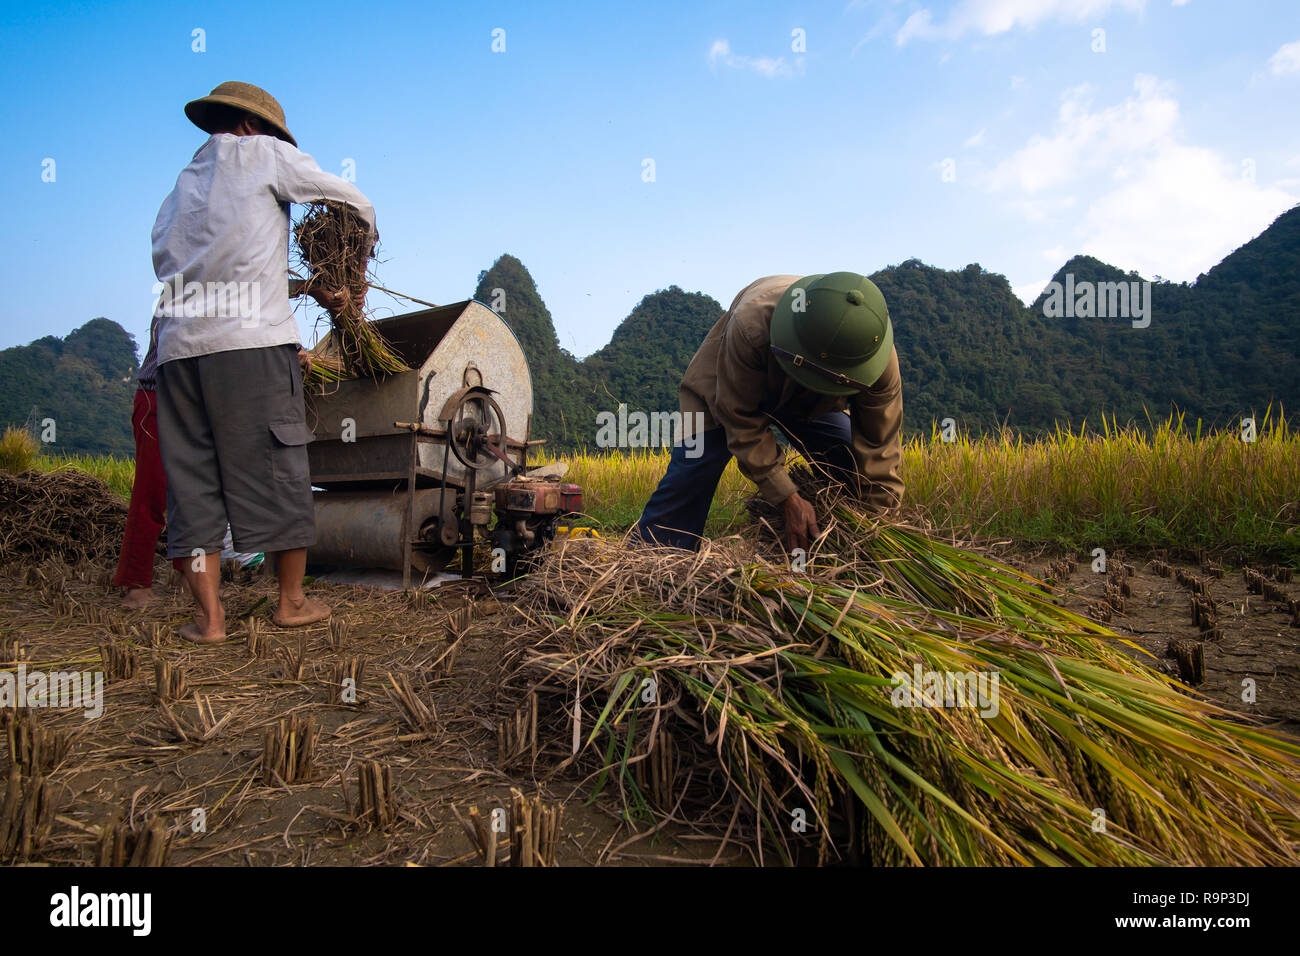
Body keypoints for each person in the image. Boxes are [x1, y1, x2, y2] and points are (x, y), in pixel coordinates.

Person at [152, 81, 374, 644]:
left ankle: (209, 621)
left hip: (177, 352)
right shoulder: (265, 155)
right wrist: (350, 266)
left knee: (192, 482)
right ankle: (292, 603)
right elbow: (352, 200)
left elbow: (185, 264)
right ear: (254, 126)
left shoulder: (180, 188)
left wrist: (295, 283)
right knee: (278, 465)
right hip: (251, 347)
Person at [634, 272, 904, 553]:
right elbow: (739, 420)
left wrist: (878, 534)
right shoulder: (751, 324)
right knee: (694, 467)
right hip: (728, 386)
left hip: (813, 406)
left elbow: (880, 450)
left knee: (848, 459)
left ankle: (825, 552)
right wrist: (788, 497)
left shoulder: (876, 362)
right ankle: (651, 564)